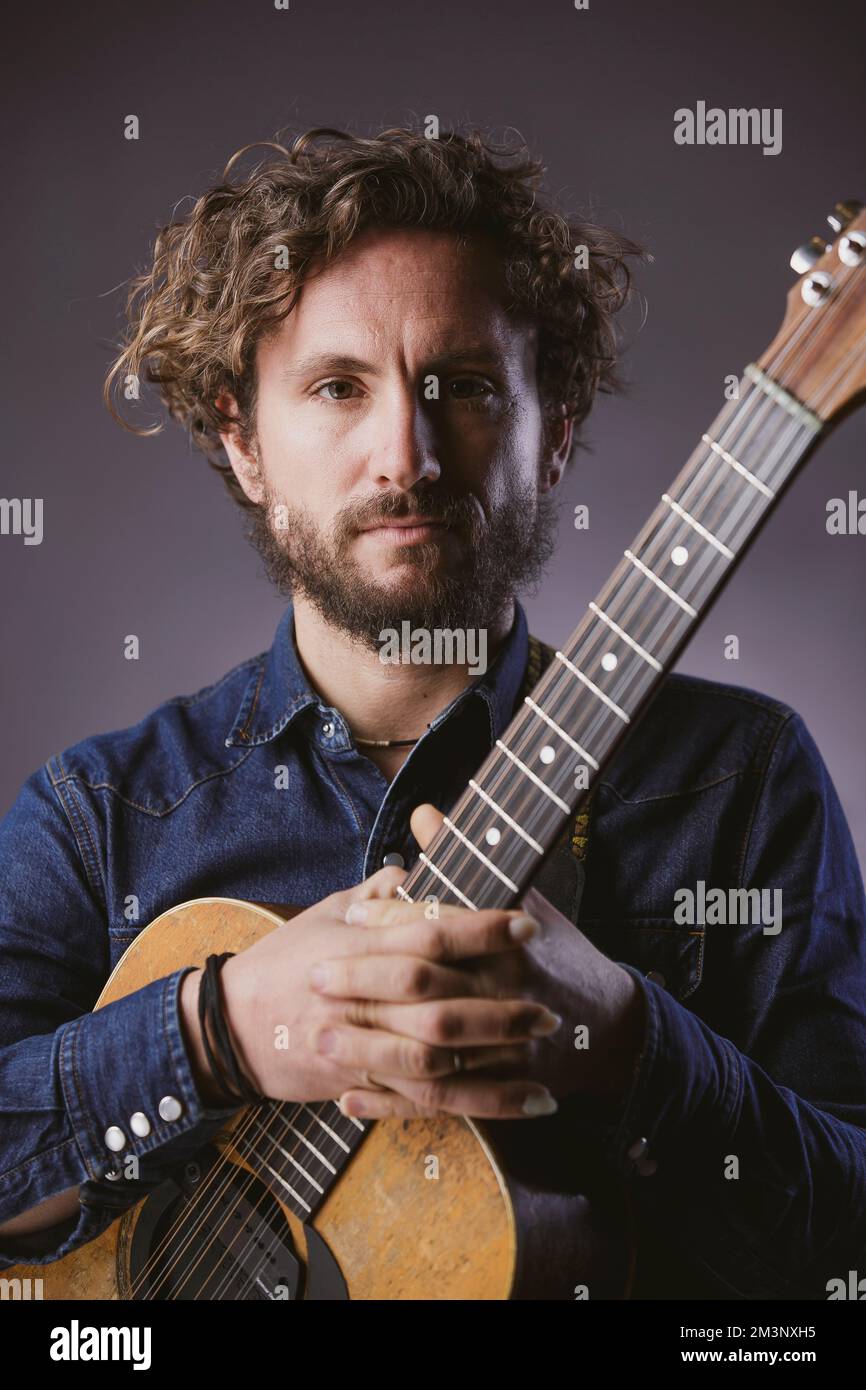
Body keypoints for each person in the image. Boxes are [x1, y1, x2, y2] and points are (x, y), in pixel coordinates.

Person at [1, 126, 864, 1301]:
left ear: (552, 429)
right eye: (337, 388)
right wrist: (215, 1031)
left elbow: (846, 1242)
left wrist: (627, 1042)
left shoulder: (735, 775)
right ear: (243, 438)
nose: (400, 453)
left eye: (458, 386)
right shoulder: (99, 813)